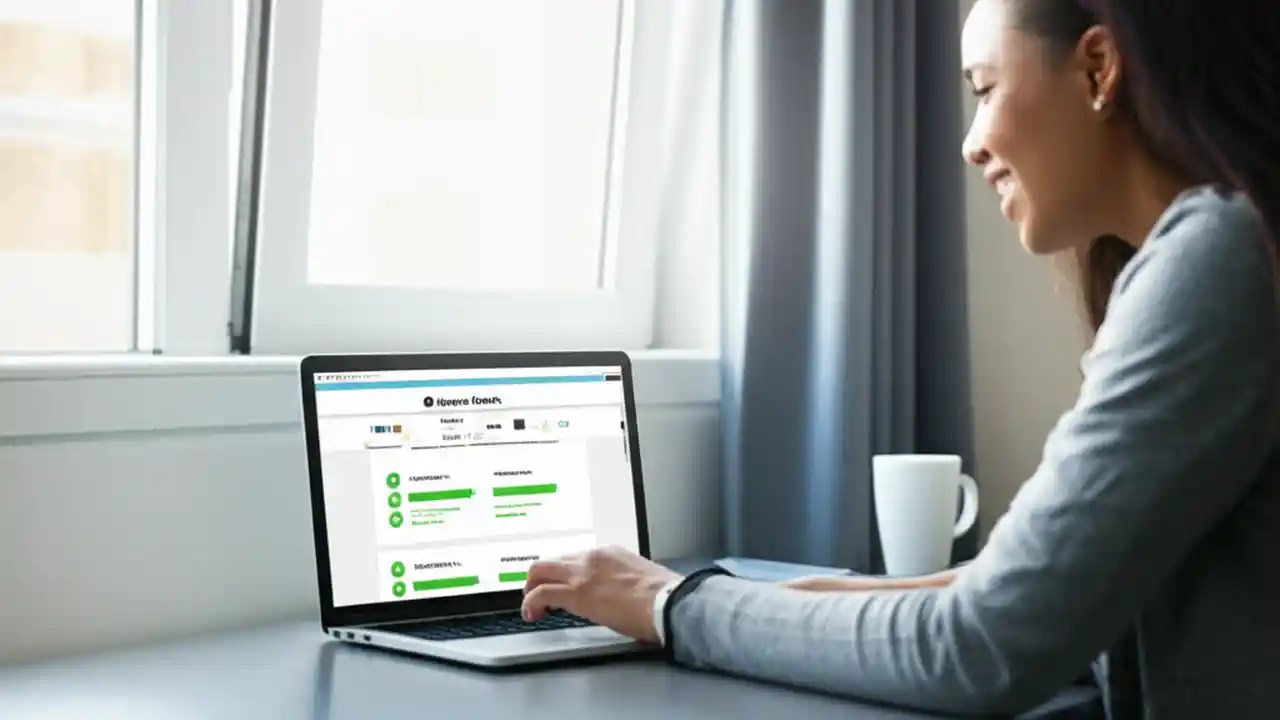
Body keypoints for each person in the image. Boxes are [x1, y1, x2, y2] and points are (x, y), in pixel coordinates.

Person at [520, 0, 1280, 716]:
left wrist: (670, 607)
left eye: (985, 88)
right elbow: (1020, 590)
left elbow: (982, 643)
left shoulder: (1221, 257)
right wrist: (761, 598)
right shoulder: (1229, 246)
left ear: (1097, 68)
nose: (970, 140)